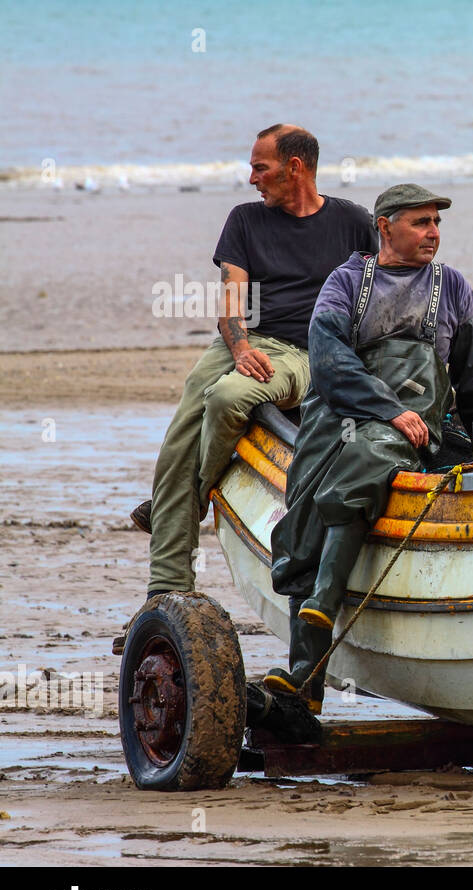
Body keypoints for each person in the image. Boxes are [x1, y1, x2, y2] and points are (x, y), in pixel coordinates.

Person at [265, 184, 473, 712]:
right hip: (332, 421)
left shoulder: (451, 288)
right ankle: (305, 692)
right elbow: (330, 361)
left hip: (408, 432)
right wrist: (387, 408)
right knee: (302, 532)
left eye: (437, 223)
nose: (433, 232)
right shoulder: (347, 283)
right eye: (421, 222)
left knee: (377, 450)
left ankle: (320, 616)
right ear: (385, 226)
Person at [134, 124, 377, 600]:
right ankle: (165, 594)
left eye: (259, 168)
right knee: (177, 444)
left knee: (226, 400)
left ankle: (196, 495)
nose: (251, 179)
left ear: (295, 167)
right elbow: (231, 299)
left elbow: (380, 291)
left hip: (309, 351)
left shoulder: (352, 222)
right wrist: (242, 349)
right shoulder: (244, 220)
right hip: (241, 342)